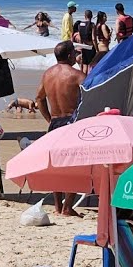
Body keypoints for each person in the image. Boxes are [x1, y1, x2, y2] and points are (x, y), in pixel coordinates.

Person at [37, 41, 85, 216]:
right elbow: (90, 98)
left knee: (56, 165)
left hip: (55, 123)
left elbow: (39, 99)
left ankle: (57, 207)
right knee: (75, 165)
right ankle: (67, 207)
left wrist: (49, 119)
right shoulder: (78, 75)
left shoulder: (47, 75)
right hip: (72, 122)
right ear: (71, 55)